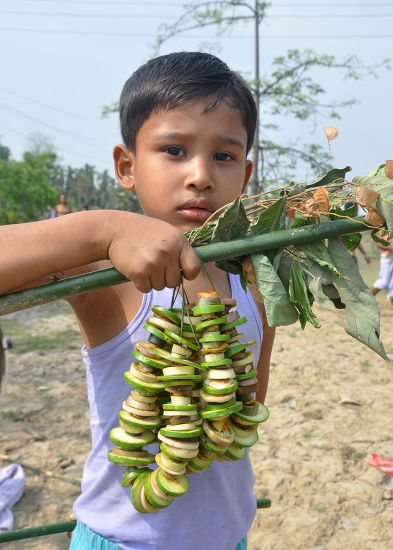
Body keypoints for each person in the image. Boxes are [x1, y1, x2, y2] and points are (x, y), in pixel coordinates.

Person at [0, 52, 275, 550]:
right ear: (126, 166)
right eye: (174, 150)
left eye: (224, 156)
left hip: (228, 537)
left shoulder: (256, 279)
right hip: (121, 541)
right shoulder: (107, 274)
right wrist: (103, 229)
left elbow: (246, 406)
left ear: (246, 174)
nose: (200, 176)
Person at [371, 231, 393, 305]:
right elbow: (379, 244)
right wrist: (391, 249)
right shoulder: (385, 230)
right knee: (383, 282)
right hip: (387, 258)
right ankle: (367, 300)